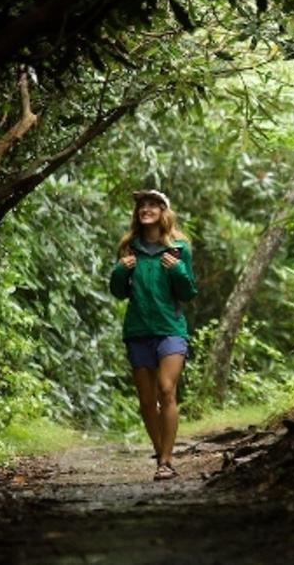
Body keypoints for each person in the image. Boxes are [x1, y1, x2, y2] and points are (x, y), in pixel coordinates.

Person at [109, 189, 198, 481]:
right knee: (147, 401)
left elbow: (188, 293)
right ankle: (162, 453)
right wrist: (120, 271)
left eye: (152, 205)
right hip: (137, 330)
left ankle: (167, 461)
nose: (145, 209)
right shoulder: (129, 246)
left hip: (170, 329)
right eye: (141, 206)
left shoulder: (178, 248)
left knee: (166, 389)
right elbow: (118, 292)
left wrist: (178, 270)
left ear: (163, 212)